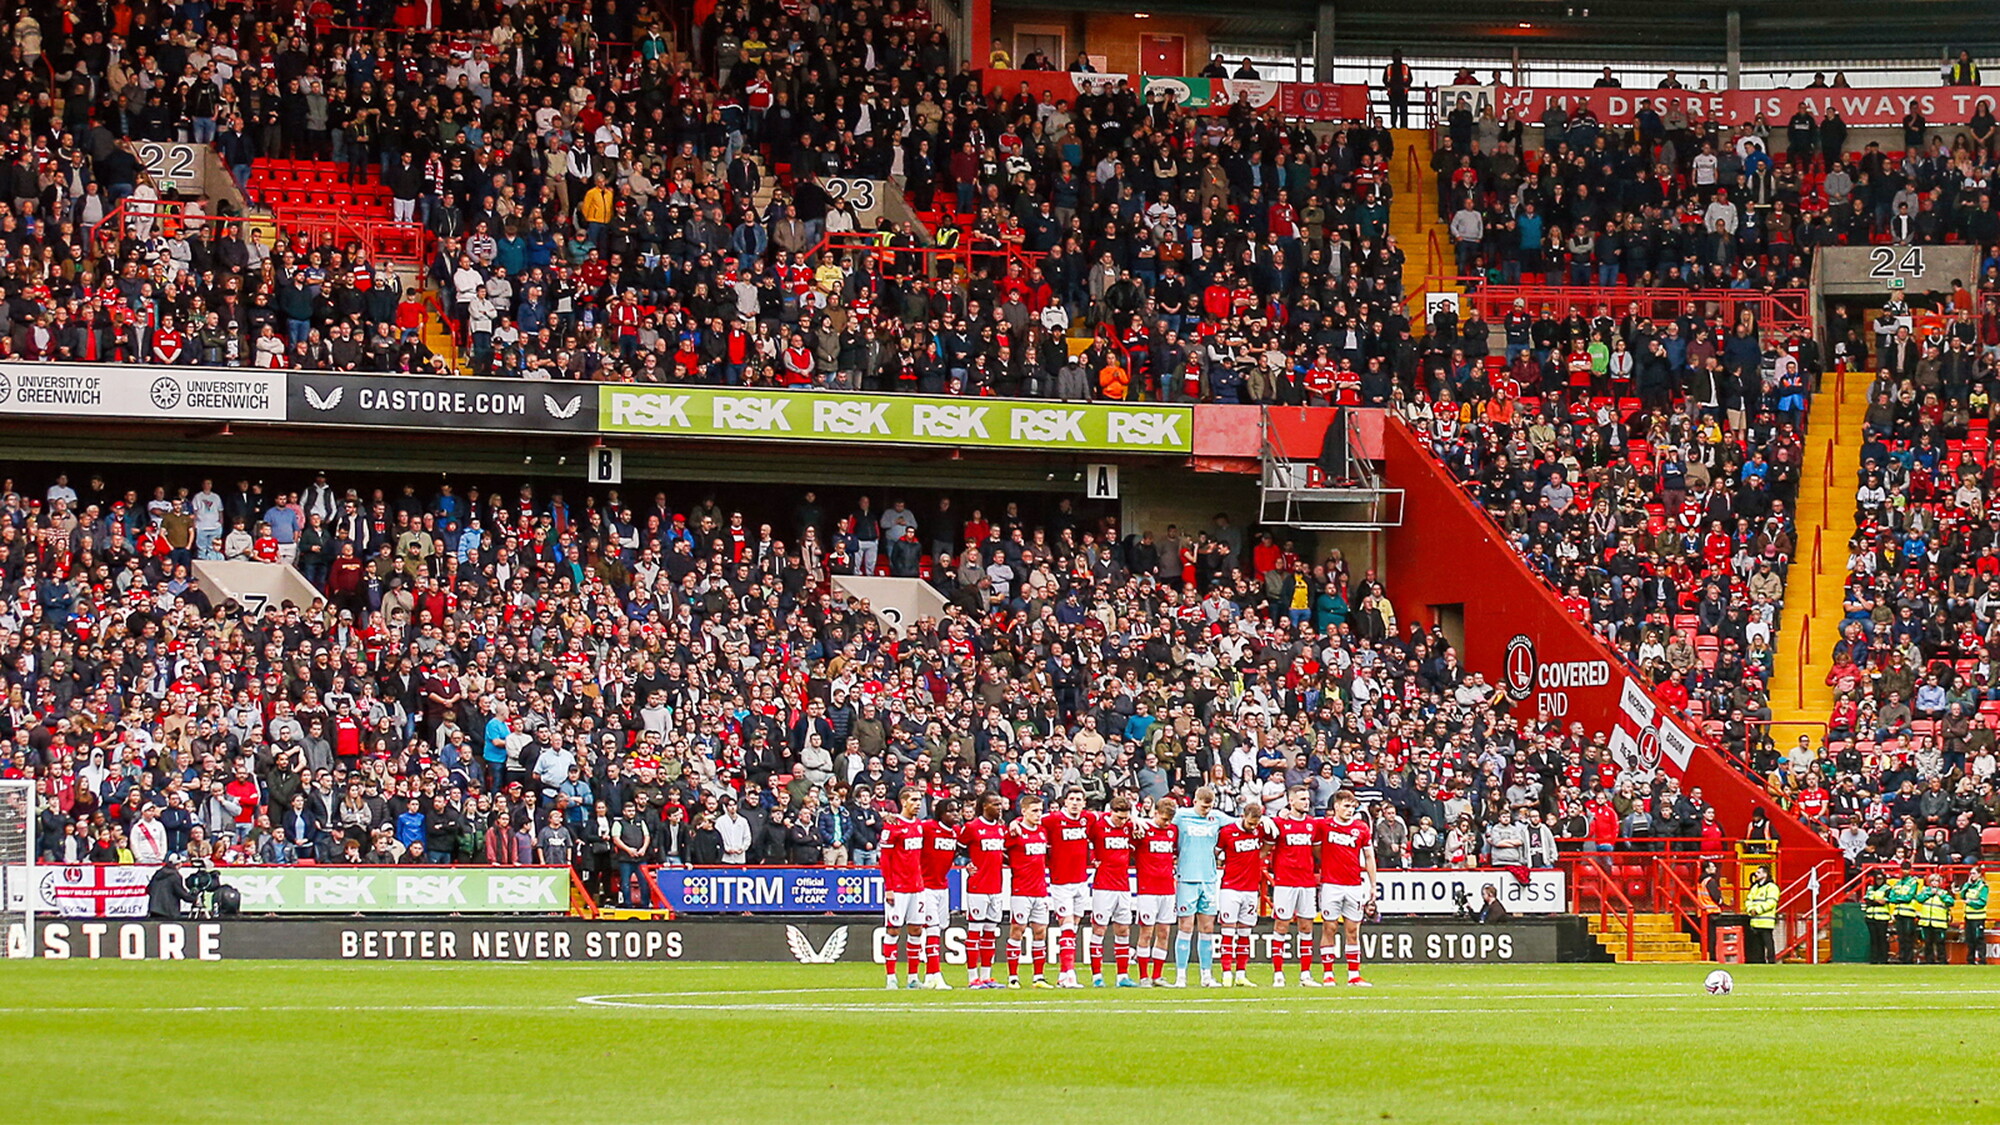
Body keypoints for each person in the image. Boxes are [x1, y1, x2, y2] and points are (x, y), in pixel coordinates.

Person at [1317, 788, 1379, 986]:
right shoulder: (1324, 825)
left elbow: (1369, 857)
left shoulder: (1361, 828)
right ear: (1336, 807)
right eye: (1346, 806)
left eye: (1353, 807)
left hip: (1353, 885)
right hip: (1331, 884)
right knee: (1330, 927)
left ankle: (1354, 975)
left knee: (1353, 930)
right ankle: (1328, 973)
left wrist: (1373, 884)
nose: (1350, 810)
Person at [1170, 785, 1228, 987]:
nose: (1206, 811)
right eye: (1203, 807)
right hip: (1187, 878)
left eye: (1209, 807)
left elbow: (1242, 823)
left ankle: (1206, 975)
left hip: (1209, 878)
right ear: (1194, 801)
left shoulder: (1217, 817)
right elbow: (1159, 821)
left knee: (1207, 927)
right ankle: (1181, 976)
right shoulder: (1181, 816)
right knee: (1185, 926)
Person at [879, 786, 934, 990]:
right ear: (903, 802)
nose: (918, 803)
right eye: (913, 799)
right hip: (899, 887)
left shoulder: (919, 825)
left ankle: (913, 977)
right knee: (893, 929)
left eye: (919, 799)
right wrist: (889, 888)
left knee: (916, 930)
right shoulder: (892, 827)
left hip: (917, 887)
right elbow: (885, 860)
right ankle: (891, 977)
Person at [1267, 785, 1322, 986]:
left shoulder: (1312, 825)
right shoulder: (1279, 823)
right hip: (1285, 882)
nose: (1306, 802)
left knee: (1307, 926)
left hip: (1306, 882)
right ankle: (1278, 973)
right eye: (1302, 799)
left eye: (1307, 798)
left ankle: (1305, 974)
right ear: (1291, 801)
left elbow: (1317, 853)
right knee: (1281, 925)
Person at [1086, 795, 1141, 987]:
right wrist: (1093, 857)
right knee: (1099, 929)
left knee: (1123, 929)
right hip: (1103, 886)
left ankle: (1122, 976)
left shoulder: (1129, 826)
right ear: (1111, 812)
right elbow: (1083, 837)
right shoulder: (1098, 825)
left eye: (1126, 818)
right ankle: (1096, 976)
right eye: (1119, 818)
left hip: (1124, 886)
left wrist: (1134, 821)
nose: (1122, 822)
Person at [1043, 788, 1094, 988]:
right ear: (1065, 802)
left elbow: (1112, 817)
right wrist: (1015, 823)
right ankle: (1070, 973)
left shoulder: (1088, 819)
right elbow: (1029, 821)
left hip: (1082, 881)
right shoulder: (1052, 820)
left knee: (1072, 928)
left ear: (1084, 803)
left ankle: (1064, 973)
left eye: (1078, 800)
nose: (1074, 803)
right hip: (1060, 883)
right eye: (1071, 799)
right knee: (1066, 926)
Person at [958, 794, 1010, 989]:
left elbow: (1000, 853)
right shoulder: (972, 827)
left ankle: (987, 976)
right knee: (975, 931)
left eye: (1000, 804)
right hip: (978, 887)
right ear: (985, 806)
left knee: (990, 932)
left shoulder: (1000, 828)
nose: (1000, 807)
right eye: (995, 804)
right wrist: (968, 864)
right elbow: (959, 848)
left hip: (996, 885)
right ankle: (973, 978)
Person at [1005, 793, 1055, 988]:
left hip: (1040, 890)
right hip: (1021, 890)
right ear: (1023, 811)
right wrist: (1015, 823)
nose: (1038, 814)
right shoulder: (1014, 833)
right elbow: (1001, 851)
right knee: (1017, 930)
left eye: (1040, 810)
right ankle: (1013, 977)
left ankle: (1038, 977)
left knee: (1040, 932)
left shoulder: (1043, 831)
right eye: (1034, 811)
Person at [1216, 799, 1268, 986]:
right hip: (1230, 887)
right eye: (1250, 823)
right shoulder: (1228, 832)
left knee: (1245, 933)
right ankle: (1226, 973)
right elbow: (1216, 852)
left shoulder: (1259, 830)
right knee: (1228, 932)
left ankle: (1241, 974)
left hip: (1250, 888)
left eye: (1255, 824)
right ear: (1242, 816)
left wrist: (1258, 856)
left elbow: (1269, 842)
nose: (1252, 827)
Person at [1133, 796, 1180, 986]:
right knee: (1146, 932)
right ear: (1155, 813)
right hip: (1147, 889)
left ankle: (1157, 975)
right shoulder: (1143, 830)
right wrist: (1136, 820)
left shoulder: (1173, 831)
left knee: (1164, 932)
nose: (1166, 823)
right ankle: (1144, 976)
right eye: (1163, 819)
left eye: (1169, 820)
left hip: (1167, 889)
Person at [919, 798, 963, 988]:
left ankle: (929, 976)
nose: (955, 814)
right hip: (925, 885)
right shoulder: (927, 828)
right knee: (933, 929)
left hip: (942, 886)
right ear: (940, 813)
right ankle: (935, 973)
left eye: (957, 810)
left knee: (940, 927)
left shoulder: (956, 832)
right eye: (951, 811)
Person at [146, 854, 200, 919]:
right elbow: (181, 893)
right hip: (169, 913)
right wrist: (194, 899)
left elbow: (149, 889)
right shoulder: (175, 876)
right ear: (178, 864)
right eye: (181, 863)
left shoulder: (158, 873)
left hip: (154, 910)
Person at [1888, 862, 1923, 963]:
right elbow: (1891, 897)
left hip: (1909, 914)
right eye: (1903, 869)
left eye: (1907, 869)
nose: (1905, 871)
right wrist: (1900, 898)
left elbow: (1909, 897)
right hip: (1898, 914)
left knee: (1908, 937)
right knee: (1901, 937)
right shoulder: (1897, 883)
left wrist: (1897, 899)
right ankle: (1902, 957)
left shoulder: (1913, 882)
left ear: (1911, 870)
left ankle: (1909, 959)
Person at [1744, 866, 1779, 964]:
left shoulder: (1772, 887)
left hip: (1766, 922)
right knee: (1757, 946)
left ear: (1765, 874)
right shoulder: (1755, 887)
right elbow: (1748, 900)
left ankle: (1771, 962)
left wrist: (1757, 910)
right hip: (1755, 922)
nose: (1756, 874)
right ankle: (1760, 963)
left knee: (1768, 944)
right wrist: (1750, 909)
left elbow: (1771, 903)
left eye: (1759, 872)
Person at [1862, 870, 1892, 964]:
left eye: (1880, 879)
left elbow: (1884, 901)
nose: (1879, 881)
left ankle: (1883, 959)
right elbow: (1867, 899)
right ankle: (1874, 959)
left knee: (1882, 939)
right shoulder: (1870, 888)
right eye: (1877, 879)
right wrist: (1877, 901)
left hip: (1882, 918)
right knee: (1873, 939)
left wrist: (1874, 901)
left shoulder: (1887, 888)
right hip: (1870, 917)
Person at [1961, 865, 1988, 965]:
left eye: (1974, 873)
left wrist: (1970, 902)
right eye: (1971, 874)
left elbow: (1982, 902)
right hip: (1968, 917)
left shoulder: (1983, 887)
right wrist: (1967, 884)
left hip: (1978, 917)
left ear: (1979, 875)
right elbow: (1962, 895)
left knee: (1979, 939)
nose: (1972, 876)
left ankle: (1982, 959)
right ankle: (1970, 959)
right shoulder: (1970, 886)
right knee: (1970, 939)